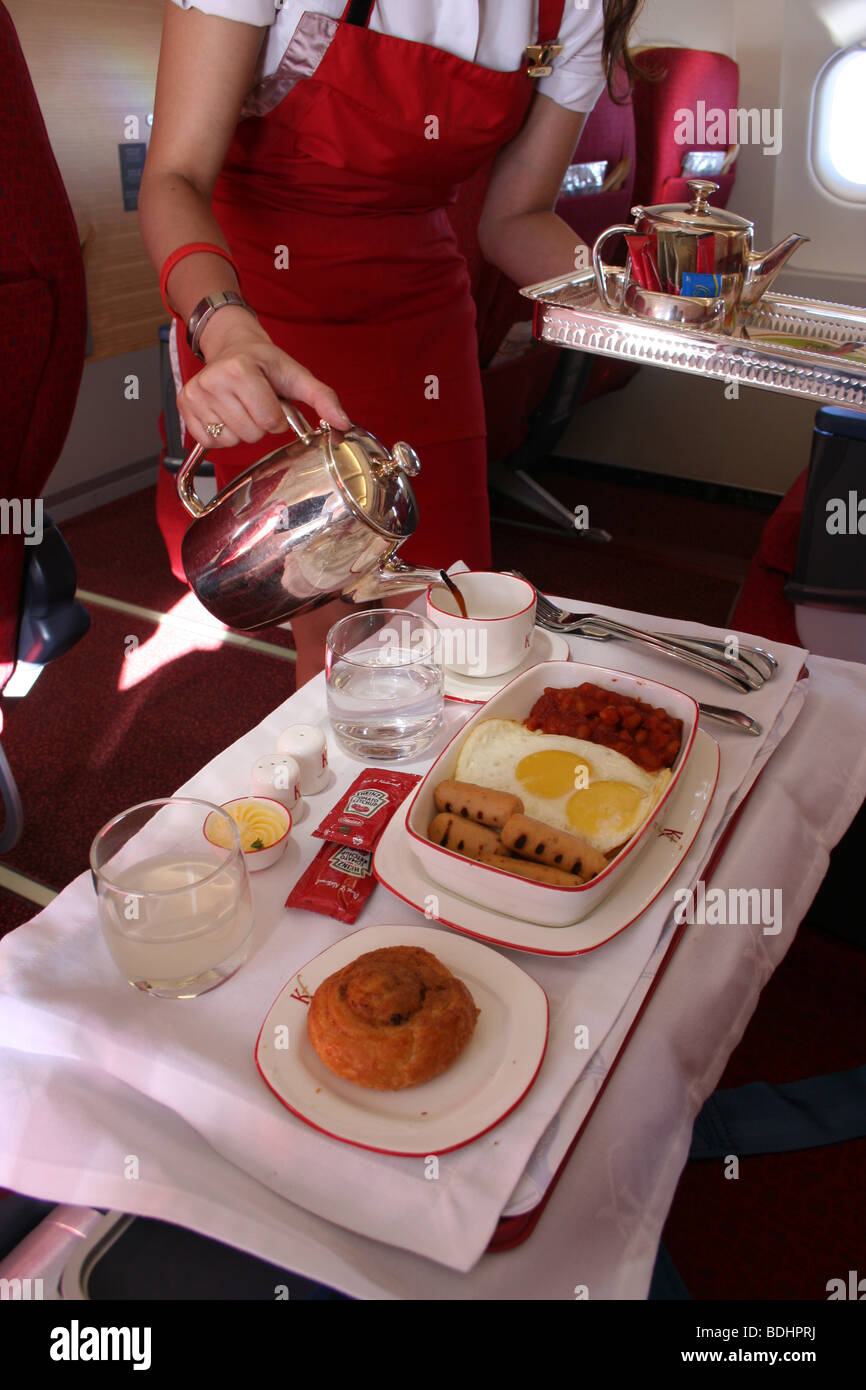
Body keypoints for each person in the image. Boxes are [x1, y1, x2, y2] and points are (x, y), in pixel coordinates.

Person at [139, 0, 644, 683]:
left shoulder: (573, 10)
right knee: (345, 648)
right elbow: (176, 179)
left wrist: (644, 311)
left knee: (455, 625)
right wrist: (226, 331)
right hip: (263, 315)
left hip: (421, 315)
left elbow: (516, 219)